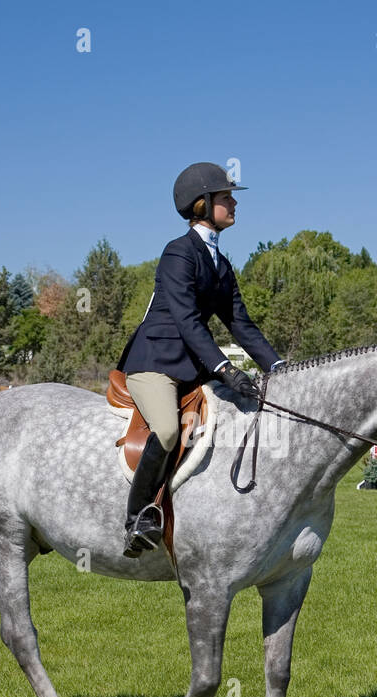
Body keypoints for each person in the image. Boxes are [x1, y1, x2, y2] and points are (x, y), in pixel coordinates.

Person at [115, 162, 286, 558]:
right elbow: (188, 321)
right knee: (169, 430)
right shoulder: (178, 253)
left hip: (190, 367)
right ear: (201, 205)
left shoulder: (221, 266)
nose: (234, 203)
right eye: (226, 197)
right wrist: (225, 369)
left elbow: (242, 325)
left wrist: (279, 369)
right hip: (154, 361)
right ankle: (136, 519)